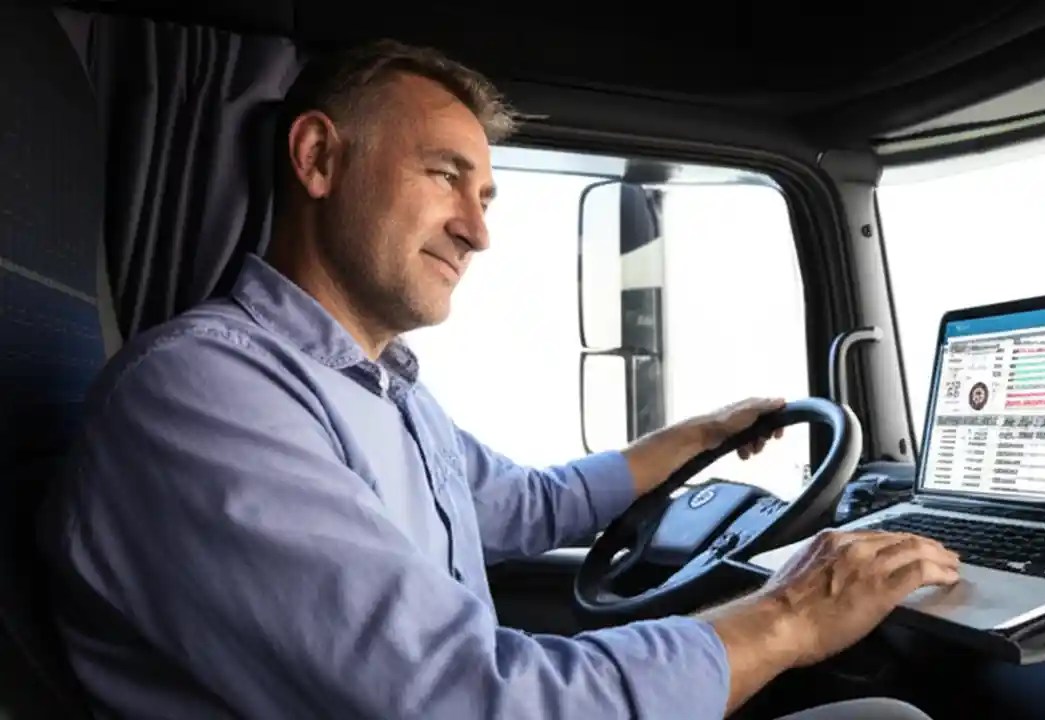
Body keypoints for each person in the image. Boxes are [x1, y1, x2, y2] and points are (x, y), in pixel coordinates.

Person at [38, 38, 960, 719]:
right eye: (445, 176)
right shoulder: (203, 394)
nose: (477, 232)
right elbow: (465, 701)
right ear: (318, 159)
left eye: (484, 198)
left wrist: (699, 438)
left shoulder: (379, 388)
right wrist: (791, 616)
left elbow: (520, 504)